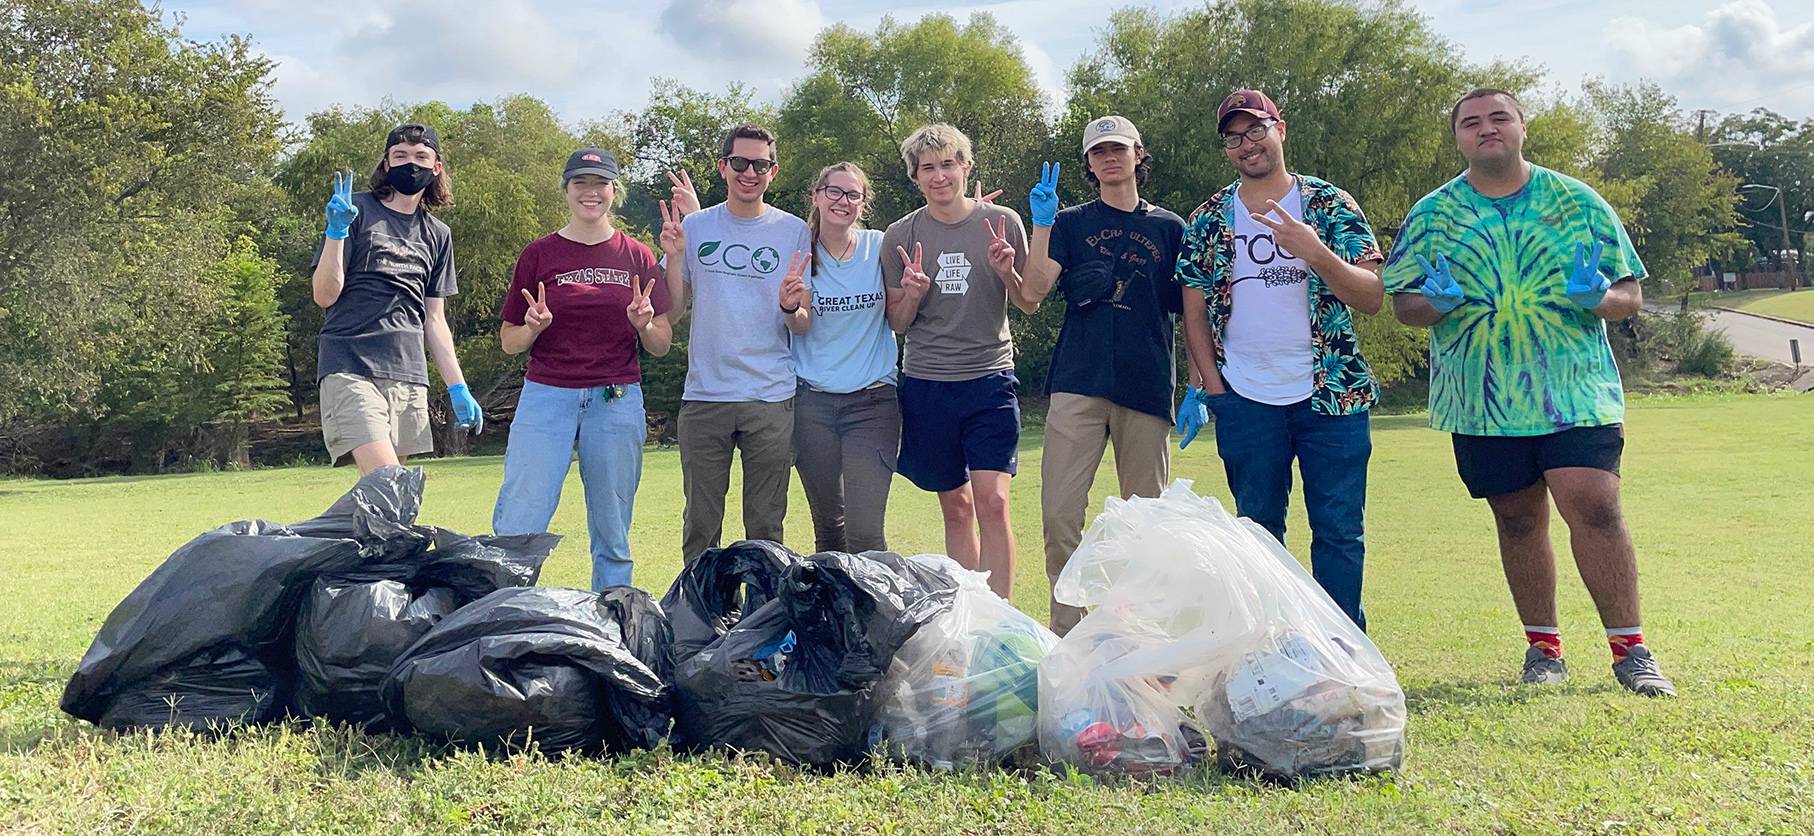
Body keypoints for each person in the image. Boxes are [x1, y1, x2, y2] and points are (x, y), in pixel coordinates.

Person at [1384, 88, 1675, 696]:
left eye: (1499, 118)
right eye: (1472, 122)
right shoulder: (1432, 214)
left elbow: (1630, 295)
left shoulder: (1578, 202)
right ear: (1459, 137)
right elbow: (1404, 305)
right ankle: (1543, 650)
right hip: (1482, 398)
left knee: (1596, 505)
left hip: (1574, 391)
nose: (1486, 129)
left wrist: (1601, 298)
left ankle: (1632, 651)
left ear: (1521, 126)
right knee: (1517, 520)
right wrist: (1430, 304)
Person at [1174, 89, 1386, 630]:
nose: (1247, 145)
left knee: (1339, 531)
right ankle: (1273, 648)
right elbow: (1192, 313)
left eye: (1256, 130)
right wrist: (1214, 391)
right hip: (1245, 397)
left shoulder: (1331, 204)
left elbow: (1371, 295)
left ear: (1280, 129)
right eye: (1234, 137)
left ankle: (1343, 651)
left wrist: (1314, 250)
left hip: (1332, 393)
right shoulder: (1207, 219)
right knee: (1257, 533)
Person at [1018, 116, 1186, 635]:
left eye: (1119, 149)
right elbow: (1031, 295)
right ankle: (1068, 637)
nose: (1110, 158)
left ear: (1139, 154)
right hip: (1078, 381)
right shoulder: (1069, 224)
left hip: (1147, 384)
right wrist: (1042, 225)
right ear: (1089, 164)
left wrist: (1201, 384)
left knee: (1147, 525)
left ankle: (1140, 641)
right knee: (1060, 516)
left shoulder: (1170, 229)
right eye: (1099, 152)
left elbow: (1191, 311)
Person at [492, 148, 673, 591]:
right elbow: (509, 340)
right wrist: (532, 327)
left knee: (613, 530)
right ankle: (504, 615)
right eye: (580, 184)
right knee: (521, 520)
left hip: (616, 399)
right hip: (547, 396)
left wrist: (644, 323)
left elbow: (662, 344)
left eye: (601, 184)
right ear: (567, 190)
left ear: (615, 191)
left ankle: (611, 617)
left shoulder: (637, 255)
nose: (591, 193)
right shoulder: (539, 254)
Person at [881, 123, 1033, 600]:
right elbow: (897, 324)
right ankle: (967, 613)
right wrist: (911, 293)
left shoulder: (1003, 221)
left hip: (990, 379)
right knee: (957, 508)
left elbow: (1028, 301)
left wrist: (1007, 272)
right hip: (928, 383)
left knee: (993, 502)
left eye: (948, 164)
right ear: (915, 176)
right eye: (928, 167)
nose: (939, 175)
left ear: (966, 167)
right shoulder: (899, 235)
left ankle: (1002, 622)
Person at [659, 123, 811, 564]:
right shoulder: (695, 226)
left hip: (770, 396)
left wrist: (789, 309)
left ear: (774, 171)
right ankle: (699, 623)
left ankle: (763, 621)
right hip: (705, 396)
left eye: (760, 165)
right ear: (724, 167)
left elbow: (803, 324)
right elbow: (673, 308)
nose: (750, 173)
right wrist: (672, 257)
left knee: (766, 526)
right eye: (740, 163)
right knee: (701, 527)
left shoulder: (795, 230)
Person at [311, 123, 482, 475]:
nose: (411, 164)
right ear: (387, 164)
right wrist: (336, 232)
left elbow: (434, 320)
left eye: (421, 156)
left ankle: (364, 533)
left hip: (408, 372)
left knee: (393, 502)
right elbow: (324, 295)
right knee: (387, 481)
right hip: (350, 365)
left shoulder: (438, 234)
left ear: (437, 167)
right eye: (400, 156)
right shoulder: (355, 210)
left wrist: (458, 386)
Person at [789, 162, 902, 554]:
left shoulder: (880, 245)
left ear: (863, 203)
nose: (843, 201)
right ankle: (832, 616)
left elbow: (932, 235)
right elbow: (800, 325)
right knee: (830, 530)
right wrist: (790, 309)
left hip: (873, 404)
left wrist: (974, 216)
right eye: (834, 191)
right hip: (811, 405)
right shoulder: (797, 247)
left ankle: (876, 615)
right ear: (817, 196)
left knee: (866, 533)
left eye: (853, 194)